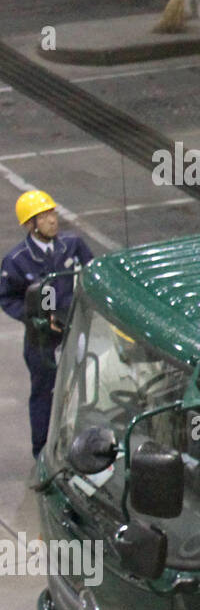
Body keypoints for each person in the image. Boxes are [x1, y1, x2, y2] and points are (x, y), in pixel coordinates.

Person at [0, 191, 94, 458]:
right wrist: (36, 318)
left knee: (83, 387)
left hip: (74, 329)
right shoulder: (16, 261)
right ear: (31, 225)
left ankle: (82, 443)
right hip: (41, 340)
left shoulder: (72, 245)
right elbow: (7, 298)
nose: (52, 221)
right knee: (44, 392)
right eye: (44, 217)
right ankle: (41, 451)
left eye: (52, 214)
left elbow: (93, 273)